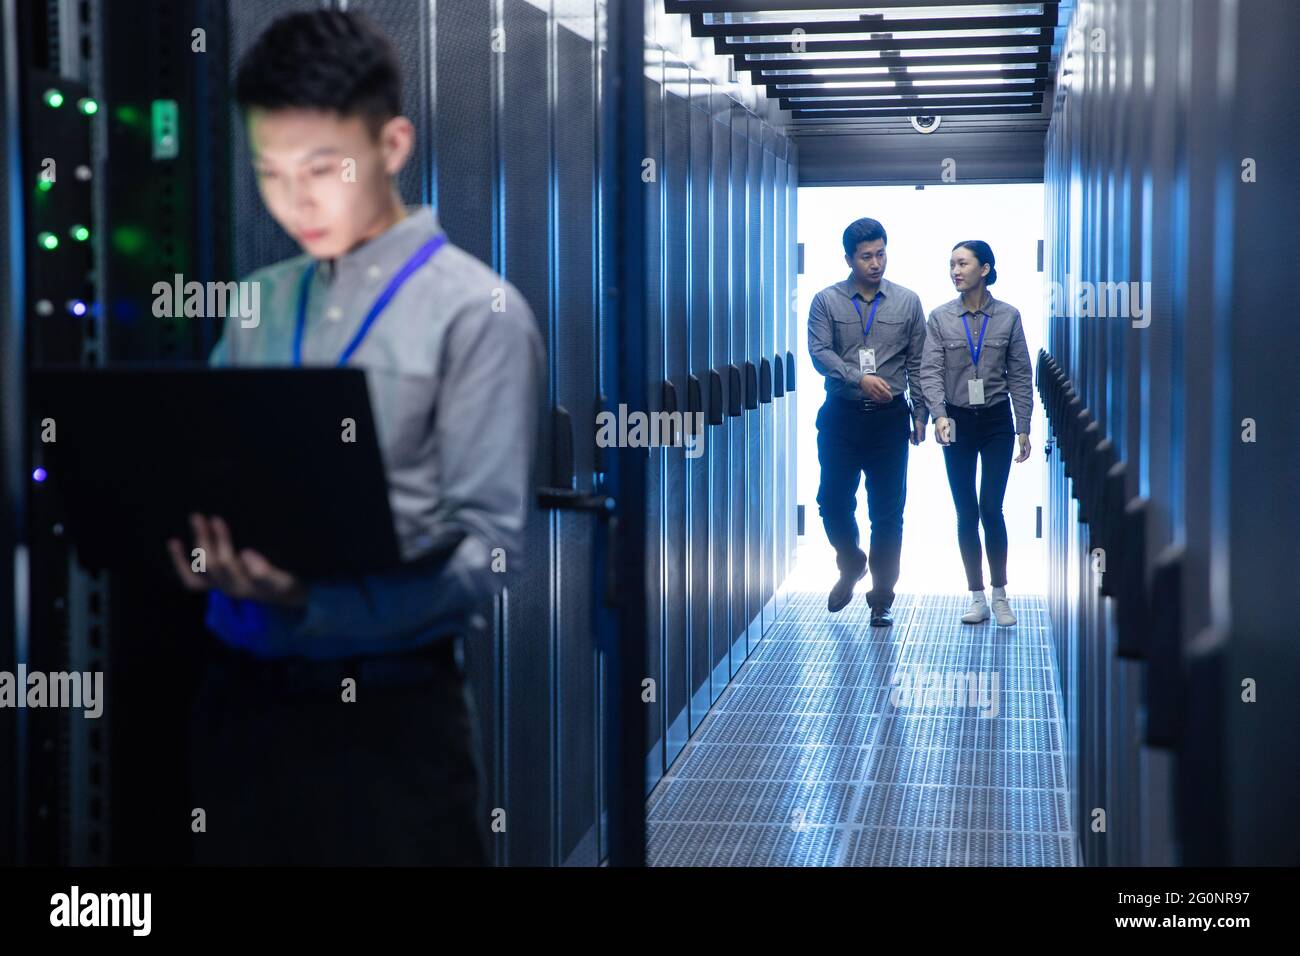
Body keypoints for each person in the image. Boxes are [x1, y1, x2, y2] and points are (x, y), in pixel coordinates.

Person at [163, 10, 545, 864]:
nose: (296, 201)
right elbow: (201, 474)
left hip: (388, 730)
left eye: (323, 168)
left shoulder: (476, 314)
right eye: (270, 172)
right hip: (236, 710)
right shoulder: (257, 301)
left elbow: (492, 552)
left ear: (393, 145)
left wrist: (308, 600)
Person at [807, 218, 928, 625]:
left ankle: (881, 599)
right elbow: (819, 352)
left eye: (881, 254)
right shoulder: (826, 301)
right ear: (848, 258)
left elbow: (919, 363)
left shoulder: (908, 302)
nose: (876, 263)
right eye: (866, 256)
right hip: (841, 417)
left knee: (888, 513)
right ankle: (851, 561)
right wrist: (859, 377)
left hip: (890, 421)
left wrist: (922, 414)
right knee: (832, 502)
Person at [919, 240, 1032, 627]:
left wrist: (1024, 427)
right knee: (966, 511)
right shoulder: (939, 318)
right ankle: (977, 596)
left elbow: (1020, 374)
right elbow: (929, 371)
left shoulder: (1009, 317)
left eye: (962, 263)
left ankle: (1001, 594)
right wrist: (938, 416)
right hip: (957, 421)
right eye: (951, 264)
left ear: (984, 269)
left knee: (991, 508)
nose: (955, 270)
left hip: (997, 421)